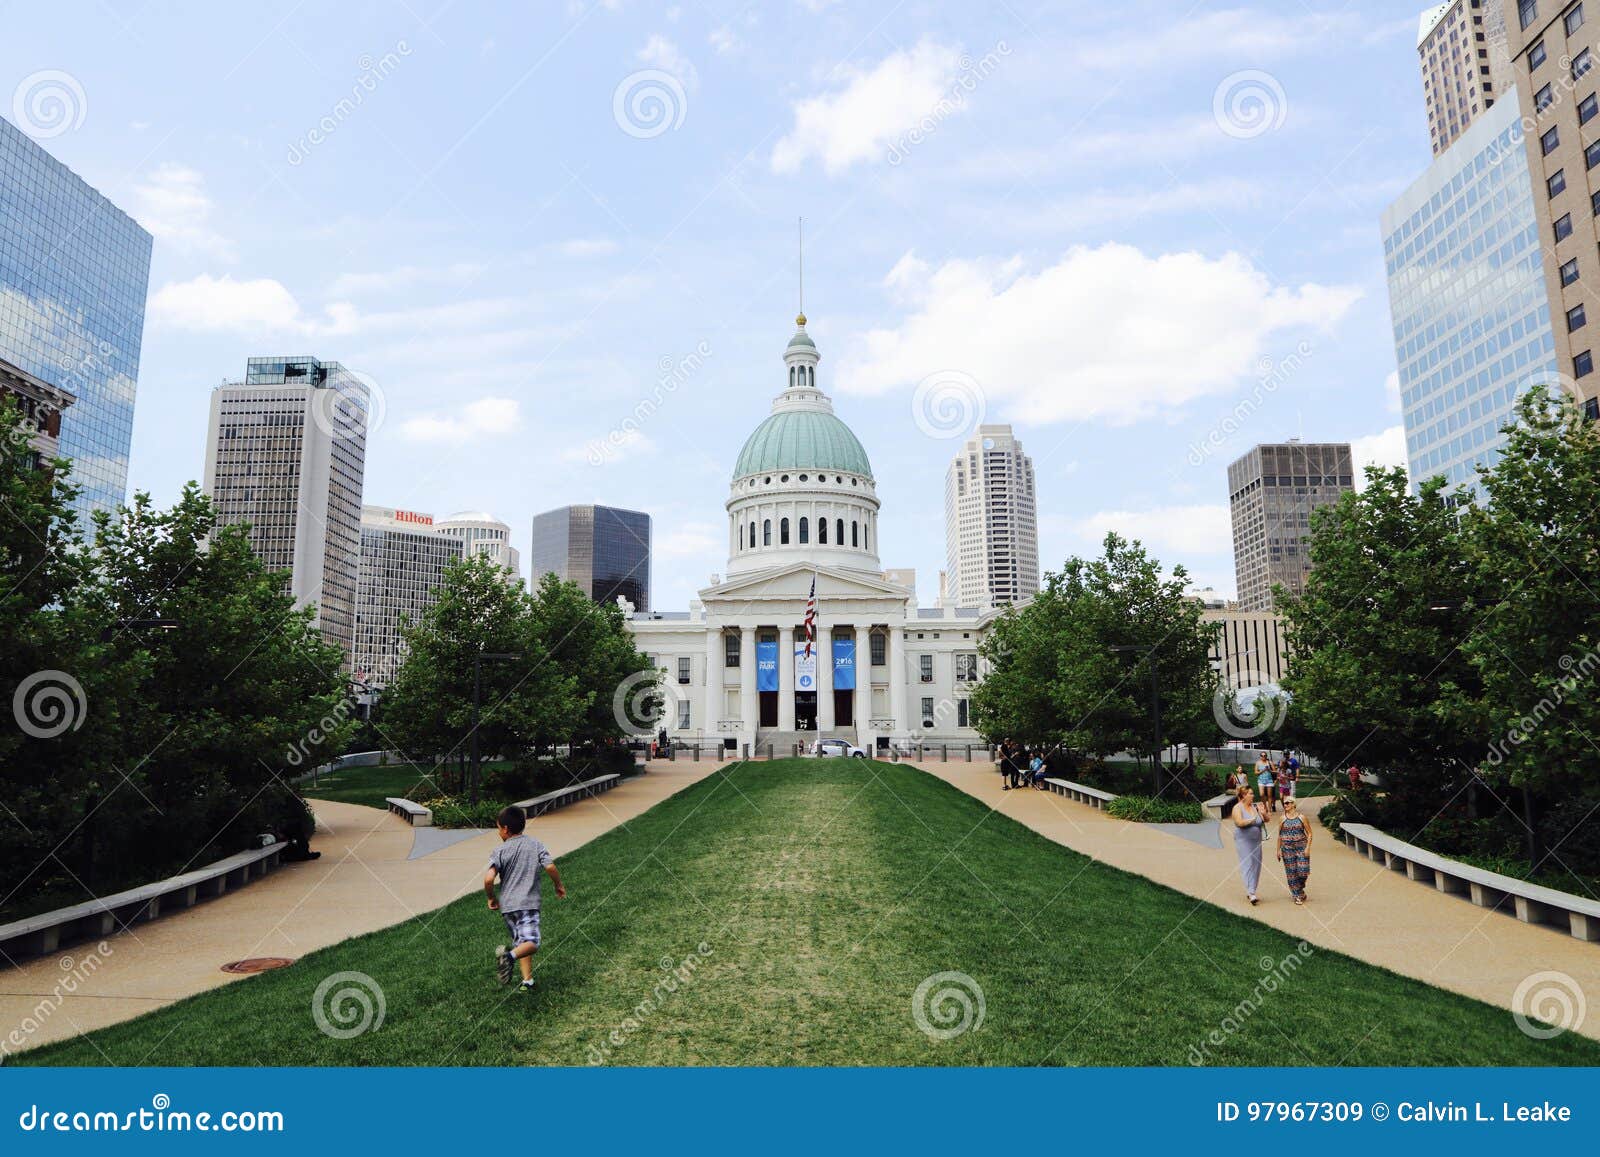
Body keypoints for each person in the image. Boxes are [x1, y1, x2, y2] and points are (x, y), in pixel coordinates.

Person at [485, 804, 567, 992]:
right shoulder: (536, 844)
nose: (498, 832)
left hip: (508, 907)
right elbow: (550, 867)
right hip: (528, 903)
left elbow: (489, 879)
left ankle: (527, 981)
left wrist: (491, 898)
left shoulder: (499, 851)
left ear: (505, 829)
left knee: (522, 942)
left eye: (498, 828)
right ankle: (508, 957)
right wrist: (558, 885)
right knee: (533, 942)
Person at [1230, 784, 1268, 905]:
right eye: (1250, 793)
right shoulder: (1237, 808)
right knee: (1247, 863)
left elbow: (1266, 820)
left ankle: (1252, 889)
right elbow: (1239, 822)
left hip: (1256, 840)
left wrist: (1263, 813)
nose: (1253, 795)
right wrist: (1253, 818)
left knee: (1256, 865)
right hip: (1243, 840)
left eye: (1252, 793)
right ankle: (1251, 893)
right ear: (1243, 795)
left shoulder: (1255, 806)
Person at [1276, 796, 1313, 905]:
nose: (1285, 805)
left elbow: (1310, 833)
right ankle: (1297, 895)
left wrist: (1308, 847)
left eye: (1287, 803)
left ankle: (1300, 888)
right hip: (1287, 848)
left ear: (1293, 804)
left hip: (1301, 847)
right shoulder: (1282, 818)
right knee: (1291, 873)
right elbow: (1280, 835)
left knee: (1303, 872)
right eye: (1284, 803)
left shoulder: (1302, 817)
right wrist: (1278, 850)